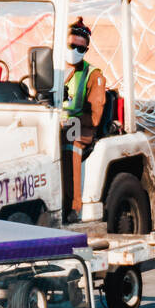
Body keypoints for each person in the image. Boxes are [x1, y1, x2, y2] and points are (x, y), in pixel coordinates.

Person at [62, 17, 107, 221]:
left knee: (69, 143)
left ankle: (72, 207)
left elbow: (95, 114)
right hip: (53, 121)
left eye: (81, 49)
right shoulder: (53, 68)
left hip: (80, 125)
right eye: (72, 46)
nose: (76, 51)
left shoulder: (93, 74)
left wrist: (69, 122)